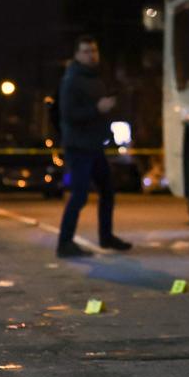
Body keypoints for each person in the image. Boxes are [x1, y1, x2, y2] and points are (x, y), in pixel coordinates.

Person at [55, 35, 132, 258]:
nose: (92, 55)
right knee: (79, 195)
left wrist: (105, 118)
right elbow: (68, 114)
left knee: (107, 191)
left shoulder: (95, 77)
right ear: (77, 55)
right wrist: (98, 109)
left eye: (94, 51)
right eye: (86, 51)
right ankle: (64, 243)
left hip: (94, 146)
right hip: (79, 147)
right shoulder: (72, 80)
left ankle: (106, 237)